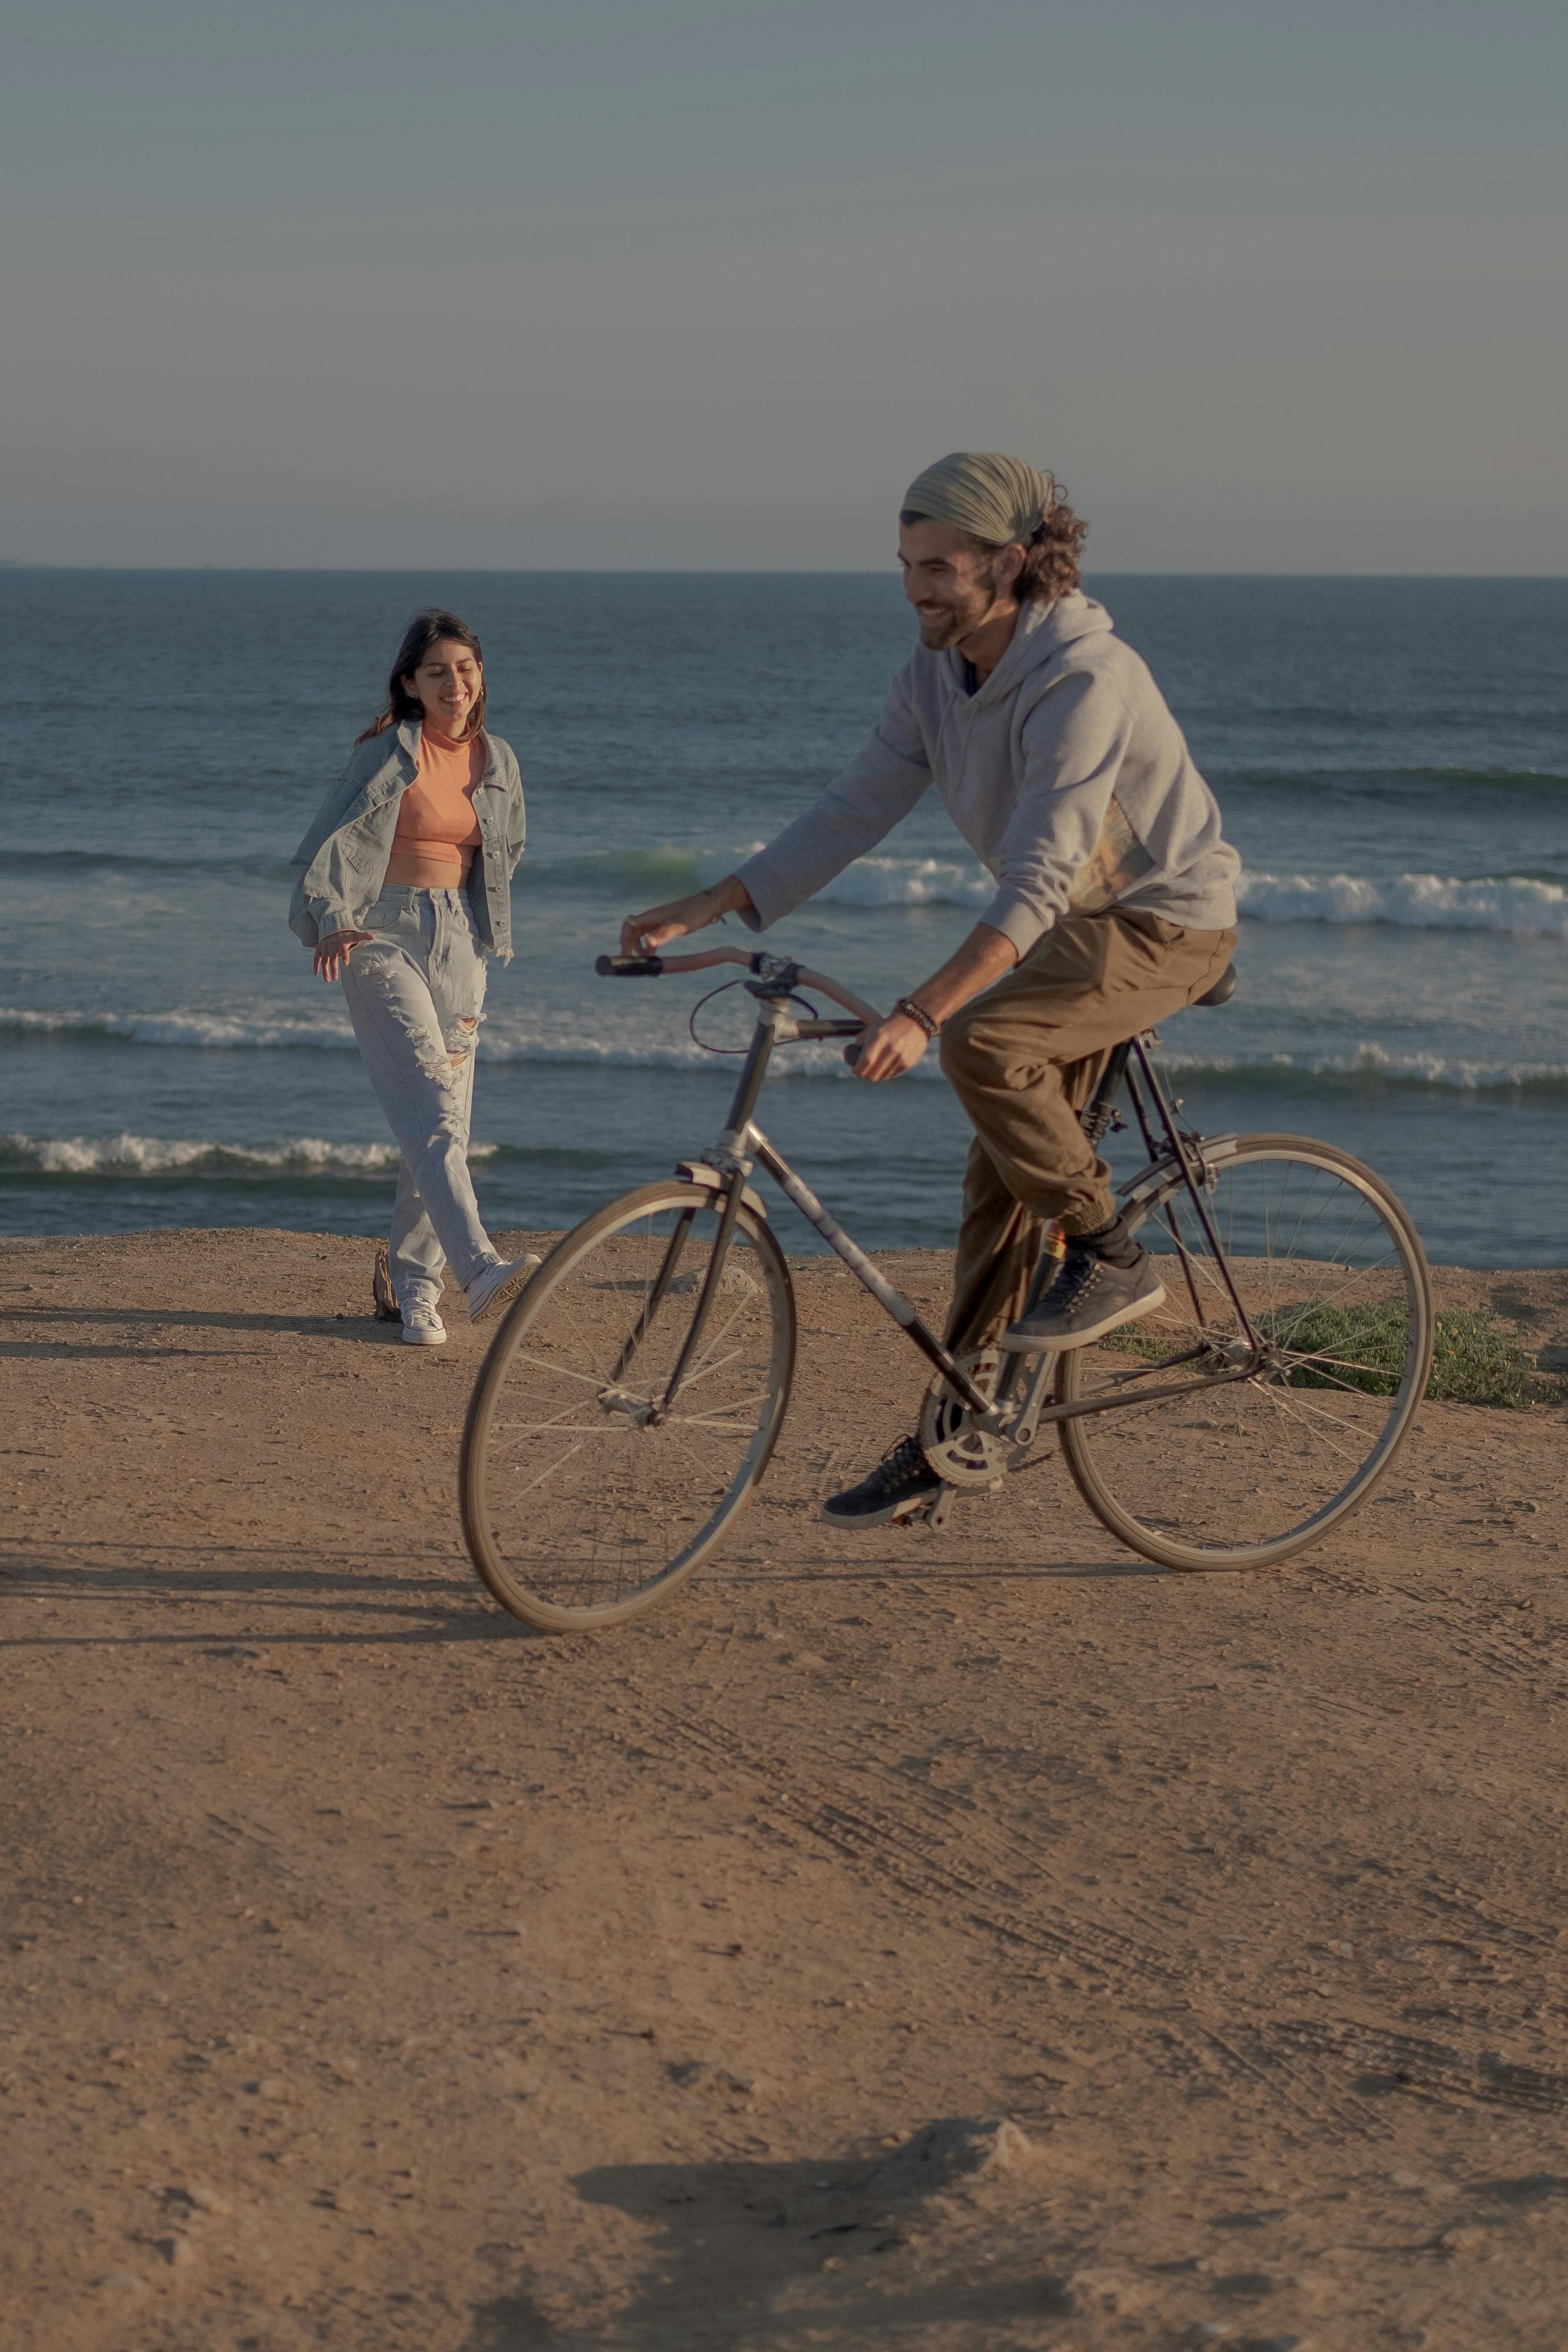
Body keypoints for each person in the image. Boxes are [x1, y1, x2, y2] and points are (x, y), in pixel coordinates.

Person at [621, 450, 1240, 1523]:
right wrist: (718, 901)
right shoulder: (931, 676)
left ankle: (1110, 1253)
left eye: (938, 567)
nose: (916, 587)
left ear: (1007, 562)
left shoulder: (1081, 678)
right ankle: (959, 1434)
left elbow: (1045, 872)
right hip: (1072, 928)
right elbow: (853, 809)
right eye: (905, 564)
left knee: (980, 1048)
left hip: (1164, 921)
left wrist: (922, 1012)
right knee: (997, 1188)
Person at [289, 610, 539, 1346]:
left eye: (464, 668)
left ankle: (417, 1293)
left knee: (441, 1126)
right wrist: (333, 917)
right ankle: (479, 1266)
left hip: (460, 939)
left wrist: (472, 918)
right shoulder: (385, 754)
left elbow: (508, 847)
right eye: (436, 672)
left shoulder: (499, 761)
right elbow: (322, 845)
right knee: (431, 1109)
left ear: (481, 676)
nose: (453, 683)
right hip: (379, 935)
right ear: (411, 684)